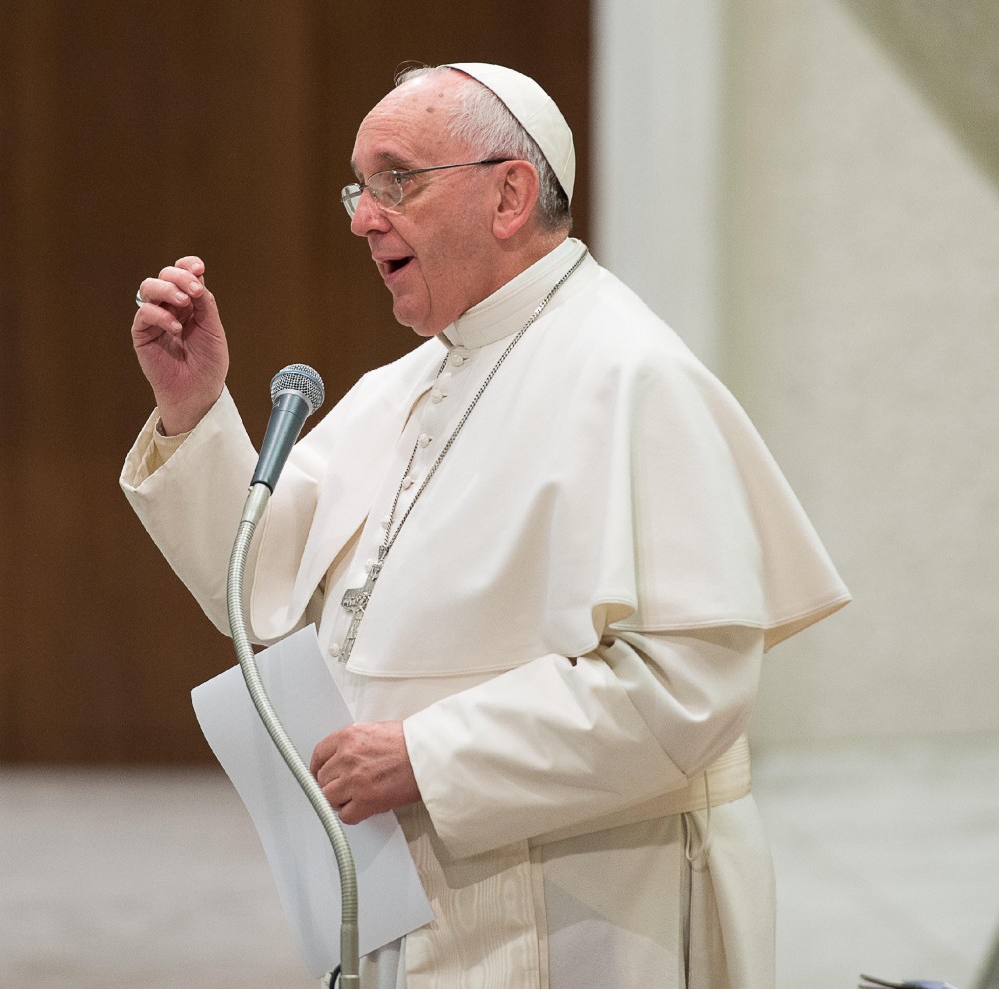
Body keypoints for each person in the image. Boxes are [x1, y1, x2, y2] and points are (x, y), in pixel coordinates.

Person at [120, 62, 849, 989]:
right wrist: (195, 410)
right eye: (359, 186)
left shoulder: (630, 376)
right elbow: (262, 580)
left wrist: (426, 755)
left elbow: (688, 688)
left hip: (591, 902)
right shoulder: (410, 384)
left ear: (509, 193)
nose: (360, 215)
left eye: (397, 180)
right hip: (410, 896)